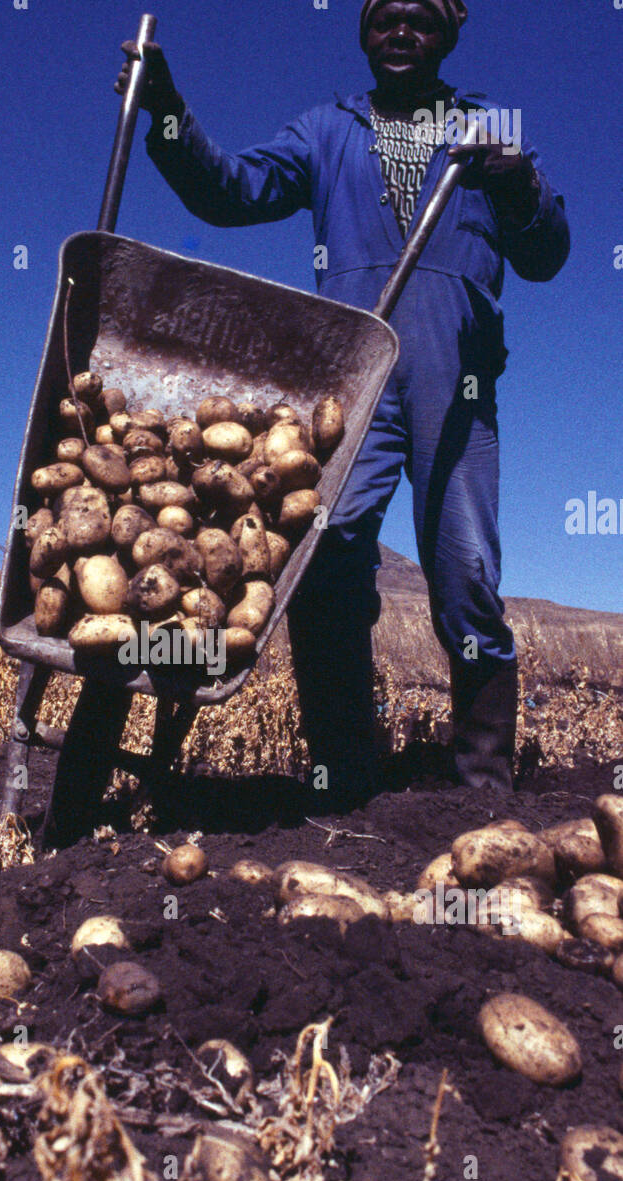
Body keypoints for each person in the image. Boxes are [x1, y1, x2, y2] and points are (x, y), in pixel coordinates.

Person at [114, 0, 570, 803]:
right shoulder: (325, 130)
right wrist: (168, 116)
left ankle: (482, 784)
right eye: (384, 17)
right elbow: (230, 191)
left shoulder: (487, 133)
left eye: (422, 19)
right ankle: (341, 776)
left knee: (465, 576)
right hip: (347, 387)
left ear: (450, 35)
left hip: (452, 384)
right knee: (322, 561)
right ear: (363, 33)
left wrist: (522, 180)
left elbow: (546, 257)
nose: (401, 32)